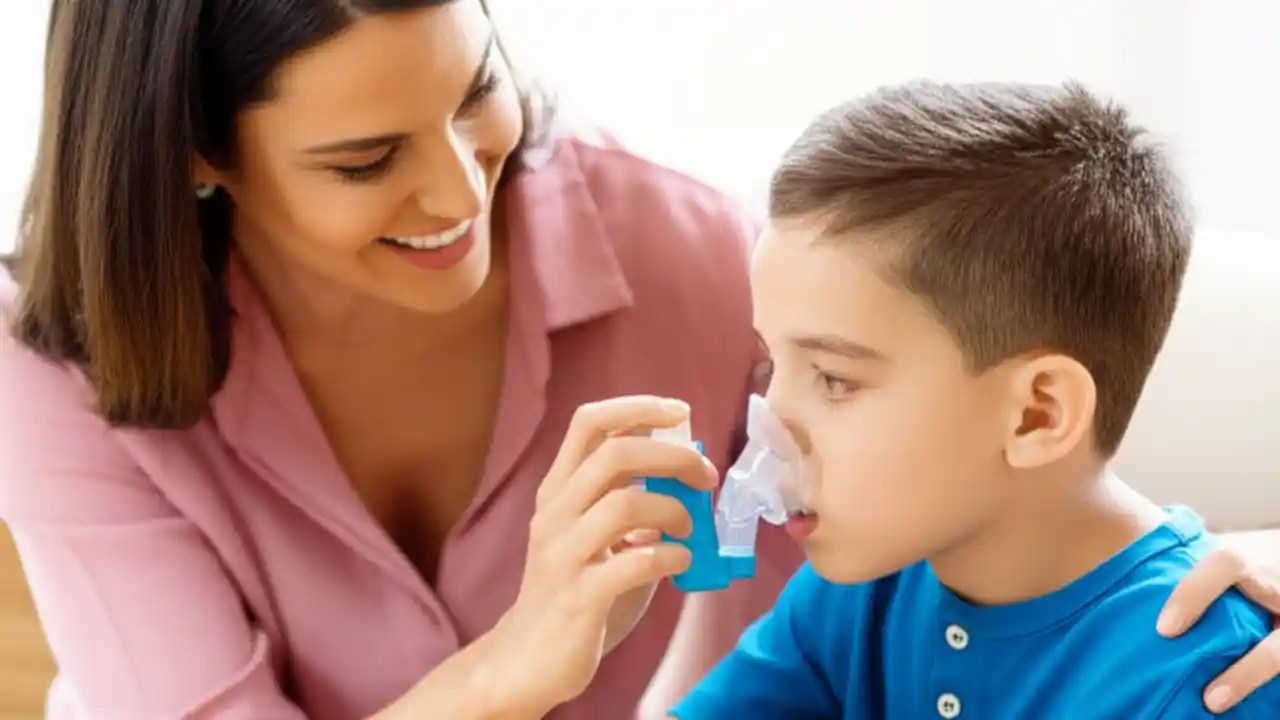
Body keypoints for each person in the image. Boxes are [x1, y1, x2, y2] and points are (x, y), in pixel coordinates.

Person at [0, 1, 1272, 718]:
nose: (460, 189)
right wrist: (517, 663)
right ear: (196, 158)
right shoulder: (850, 611)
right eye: (362, 157)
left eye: (473, 94)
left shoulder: (1198, 672)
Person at [666, 81, 1280, 718]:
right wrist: (554, 658)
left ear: (1037, 414)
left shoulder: (1204, 679)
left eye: (835, 378)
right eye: (772, 363)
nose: (769, 428)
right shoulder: (859, 593)